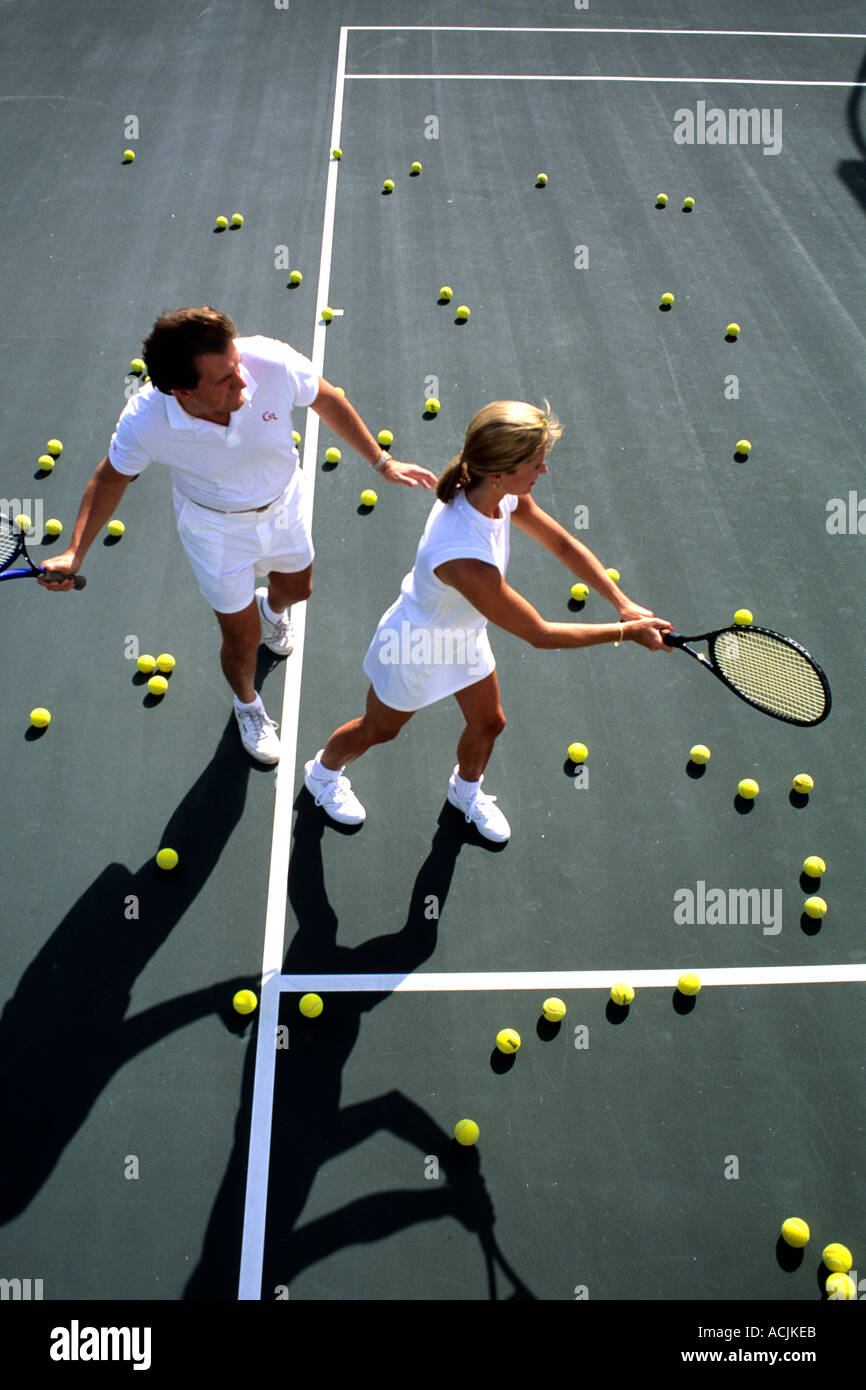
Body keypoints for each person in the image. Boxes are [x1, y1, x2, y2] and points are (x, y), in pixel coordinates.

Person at [39, 307, 437, 763]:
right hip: (215, 528)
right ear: (183, 392)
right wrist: (74, 552)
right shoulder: (145, 421)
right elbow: (111, 478)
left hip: (284, 503)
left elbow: (325, 398)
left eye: (237, 365)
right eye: (225, 380)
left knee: (297, 589)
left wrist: (382, 462)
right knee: (241, 638)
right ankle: (248, 704)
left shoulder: (270, 362)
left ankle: (274, 610)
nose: (243, 382)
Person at [303, 399, 673, 842]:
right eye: (537, 464)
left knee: (489, 722)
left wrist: (622, 601)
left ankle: (465, 791)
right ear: (499, 472)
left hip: (462, 634)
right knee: (380, 729)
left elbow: (563, 545)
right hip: (415, 647)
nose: (545, 471)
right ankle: (322, 774)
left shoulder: (499, 493)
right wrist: (625, 633)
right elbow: (540, 634)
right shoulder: (462, 553)